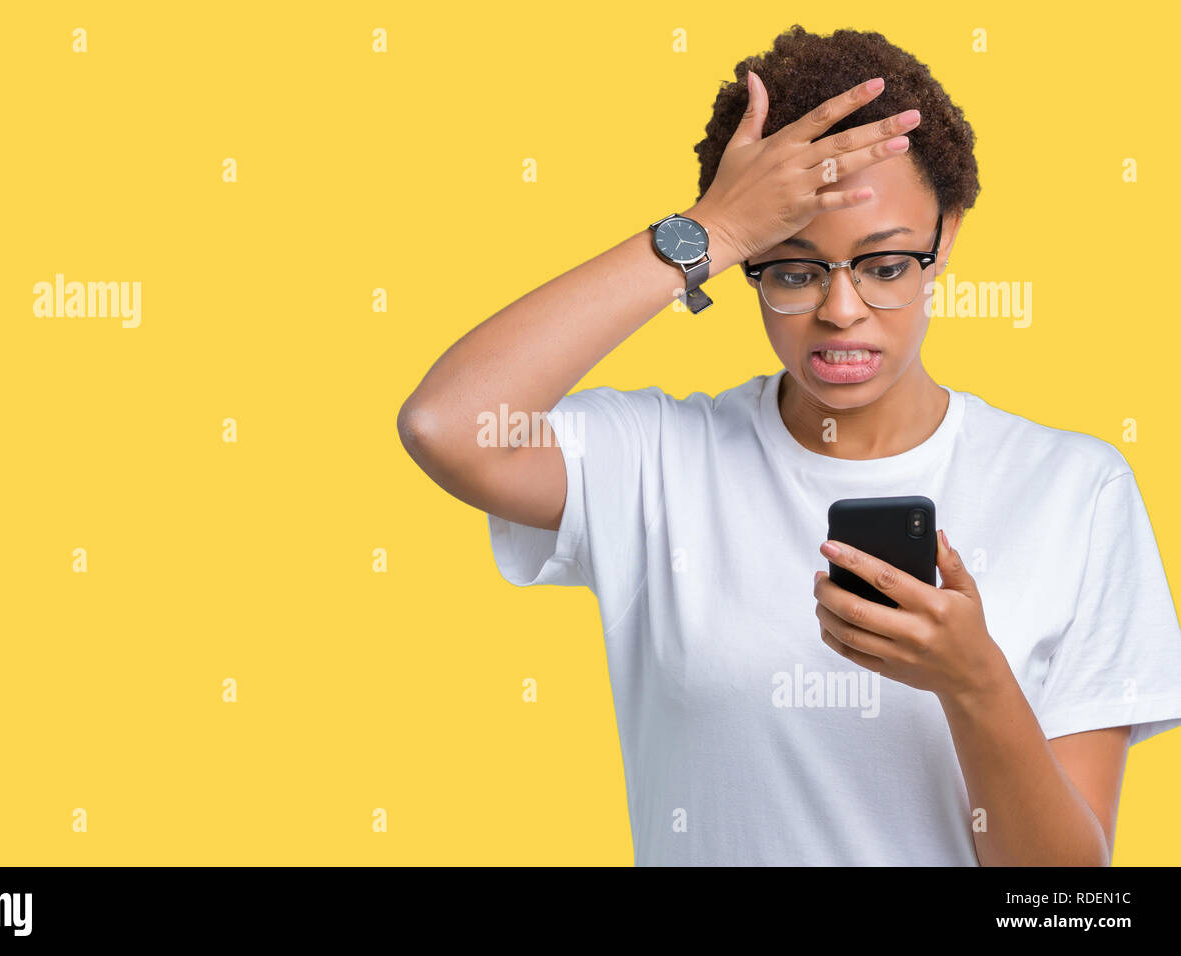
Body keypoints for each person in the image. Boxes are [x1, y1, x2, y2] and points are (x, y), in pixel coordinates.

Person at [396, 25, 1181, 865]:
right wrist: (706, 232)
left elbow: (1062, 896)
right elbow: (447, 425)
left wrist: (975, 680)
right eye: (794, 269)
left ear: (944, 238)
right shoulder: (661, 462)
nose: (840, 310)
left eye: (883, 265)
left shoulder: (1075, 490)